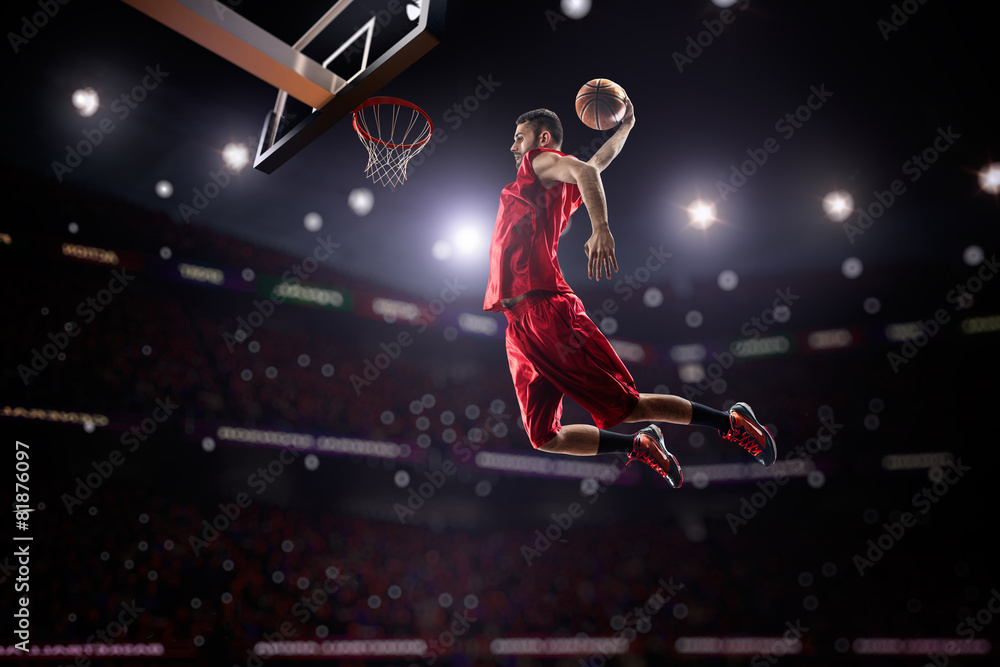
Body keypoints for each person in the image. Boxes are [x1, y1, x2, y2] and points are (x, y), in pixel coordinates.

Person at [482, 99, 776, 488]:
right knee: (544, 437)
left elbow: (587, 169)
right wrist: (626, 127)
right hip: (517, 325)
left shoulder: (538, 162)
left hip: (544, 311)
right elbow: (596, 164)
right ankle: (640, 445)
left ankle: (732, 422)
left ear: (543, 138)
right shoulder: (549, 185)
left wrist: (600, 226)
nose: (514, 146)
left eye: (519, 138)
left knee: (627, 405)